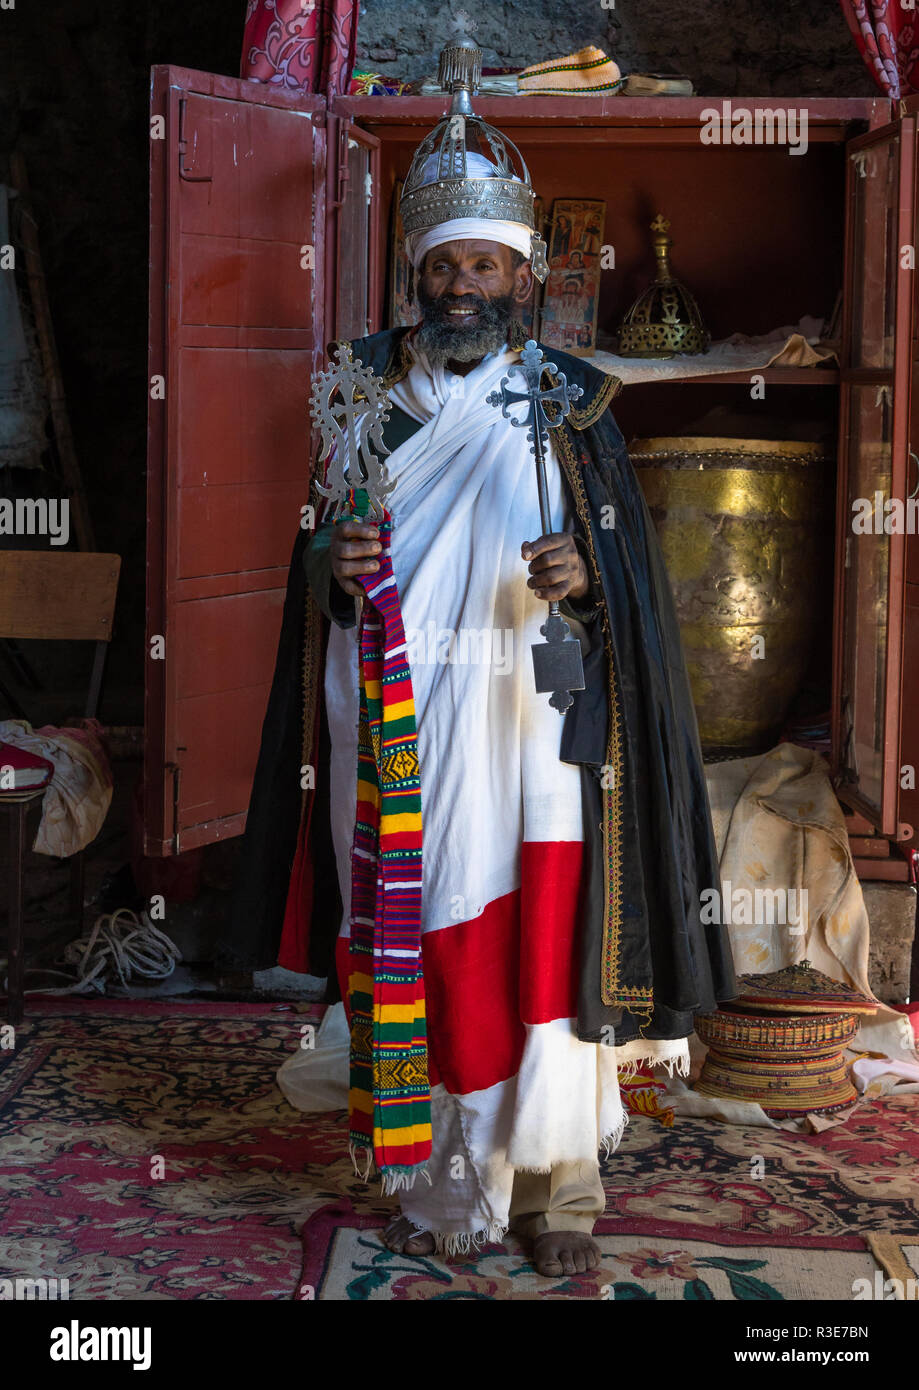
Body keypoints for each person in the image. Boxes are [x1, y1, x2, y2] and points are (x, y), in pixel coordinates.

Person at [224, 41, 735, 1279]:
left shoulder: (570, 400)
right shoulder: (359, 396)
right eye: (444, 264)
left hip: (536, 727)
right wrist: (334, 575)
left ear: (521, 275)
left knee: (545, 930)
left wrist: (583, 578)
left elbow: (630, 592)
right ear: (418, 272)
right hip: (400, 715)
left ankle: (563, 1178)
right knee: (422, 924)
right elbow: (313, 577)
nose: (464, 284)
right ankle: (439, 1167)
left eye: (486, 265)